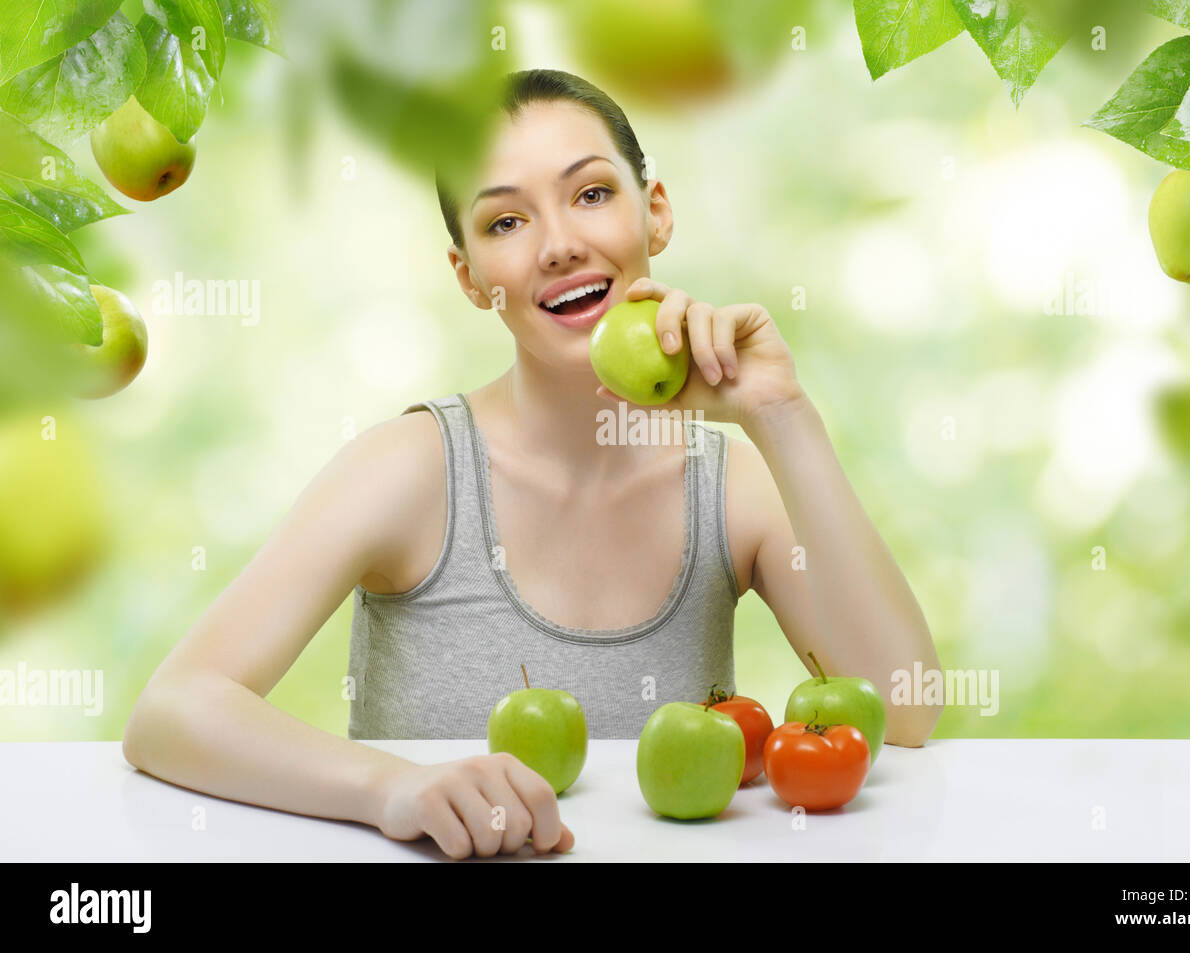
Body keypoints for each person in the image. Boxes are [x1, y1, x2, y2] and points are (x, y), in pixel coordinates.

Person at [122, 69, 940, 861]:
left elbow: (904, 711)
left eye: (591, 194)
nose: (559, 245)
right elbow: (173, 711)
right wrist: (390, 788)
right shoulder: (411, 470)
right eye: (506, 223)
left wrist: (781, 415)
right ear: (470, 276)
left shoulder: (729, 488)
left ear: (654, 213)